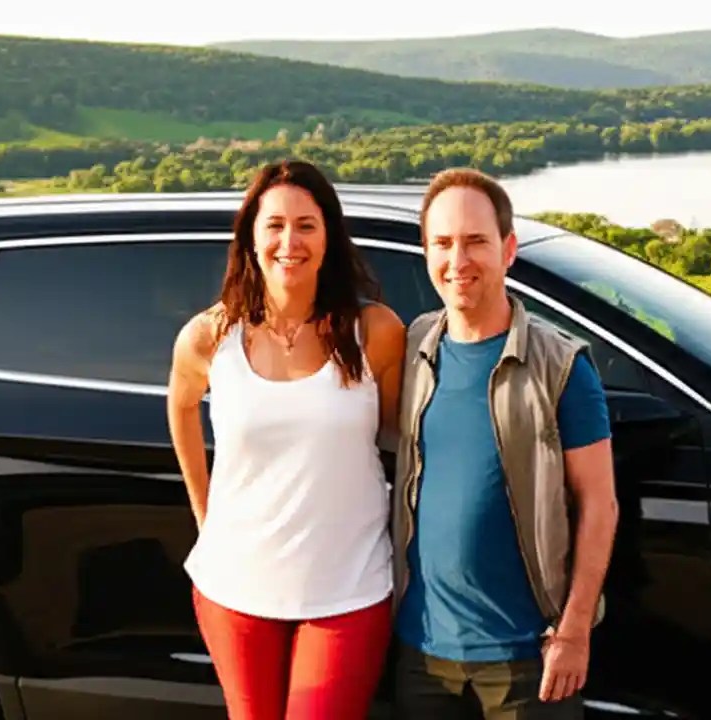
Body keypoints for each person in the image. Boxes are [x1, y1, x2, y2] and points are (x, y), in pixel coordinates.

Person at [166, 159, 406, 720]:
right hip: (236, 587)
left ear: (328, 238)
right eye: (274, 224)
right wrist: (205, 513)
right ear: (251, 236)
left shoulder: (375, 333)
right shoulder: (210, 337)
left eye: (306, 225)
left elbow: (402, 436)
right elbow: (179, 406)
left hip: (349, 587)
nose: (289, 241)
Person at [390, 168, 620, 719]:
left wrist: (574, 633)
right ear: (426, 252)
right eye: (442, 243)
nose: (457, 261)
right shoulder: (414, 347)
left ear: (508, 249)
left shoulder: (560, 366)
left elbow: (599, 505)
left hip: (527, 663)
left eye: (476, 242)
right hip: (422, 657)